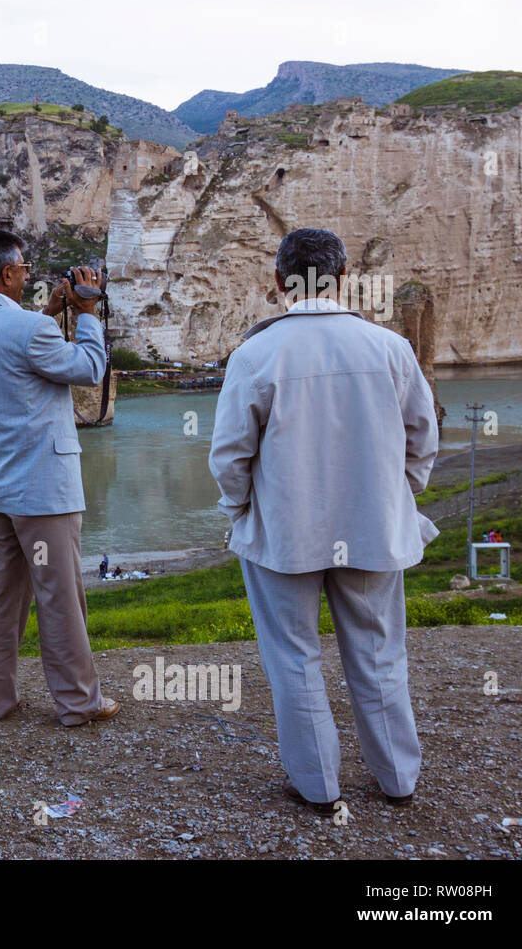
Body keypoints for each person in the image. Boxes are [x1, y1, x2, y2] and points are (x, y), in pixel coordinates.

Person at [209, 227, 439, 814]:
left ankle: (318, 785)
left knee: (292, 655)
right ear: (342, 280)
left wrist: (241, 511)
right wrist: (396, 496)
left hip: (286, 533)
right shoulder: (389, 348)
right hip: (372, 529)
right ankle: (398, 779)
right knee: (379, 652)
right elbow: (422, 438)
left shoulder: (255, 354)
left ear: (278, 284)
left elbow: (231, 455)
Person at [0, 229, 120, 726]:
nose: (27, 277)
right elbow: (88, 368)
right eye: (23, 271)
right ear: (6, 274)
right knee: (60, 597)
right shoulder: (26, 329)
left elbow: (14, 344)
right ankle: (79, 703)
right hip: (40, 488)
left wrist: (50, 310)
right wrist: (85, 313)